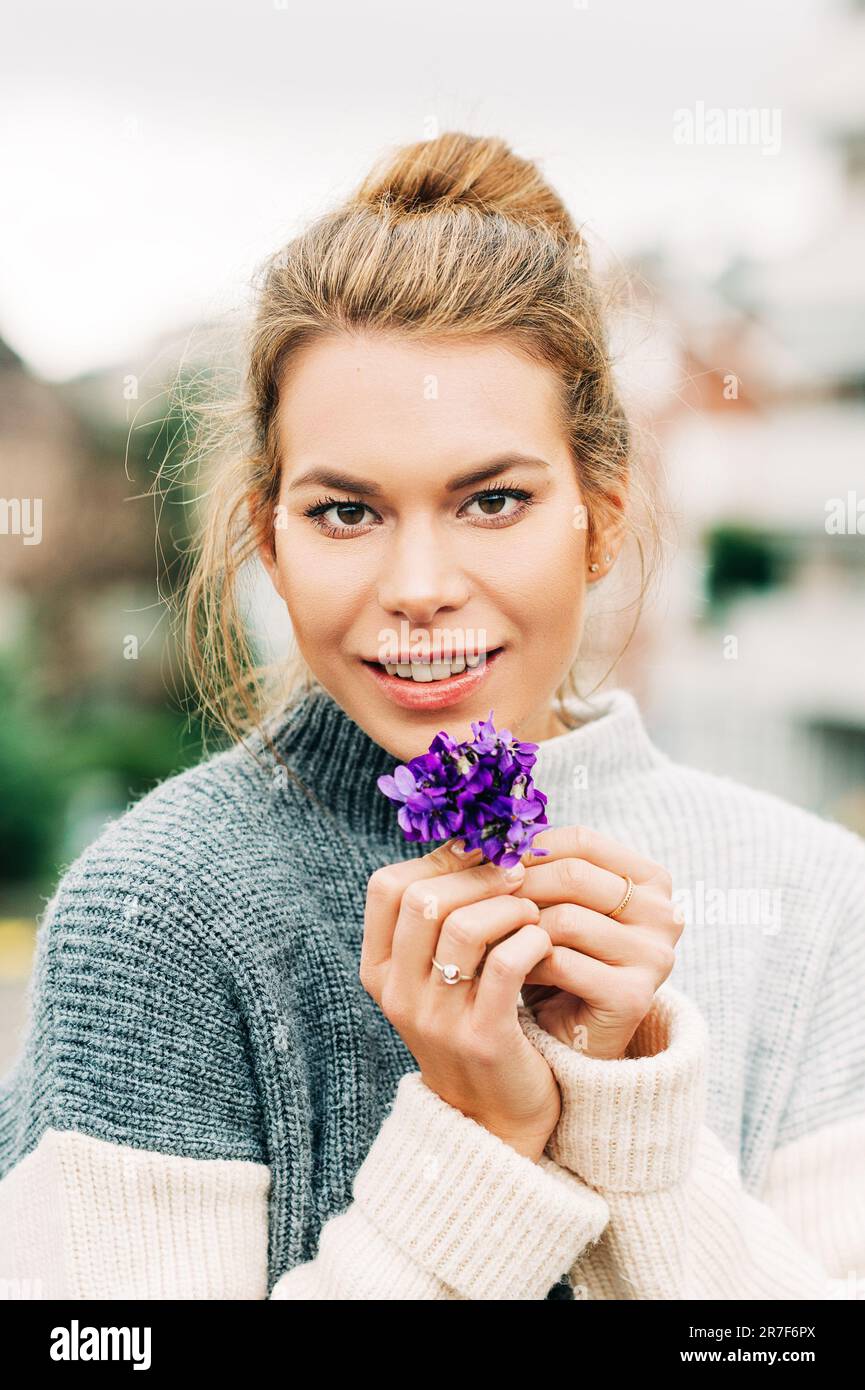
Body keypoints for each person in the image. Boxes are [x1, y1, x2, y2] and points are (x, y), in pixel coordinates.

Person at [1, 131, 863, 1301]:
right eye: (346, 512)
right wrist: (475, 1135)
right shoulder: (155, 917)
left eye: (492, 500)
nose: (418, 584)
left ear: (601, 517)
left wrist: (628, 1126)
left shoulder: (814, 904)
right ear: (270, 536)